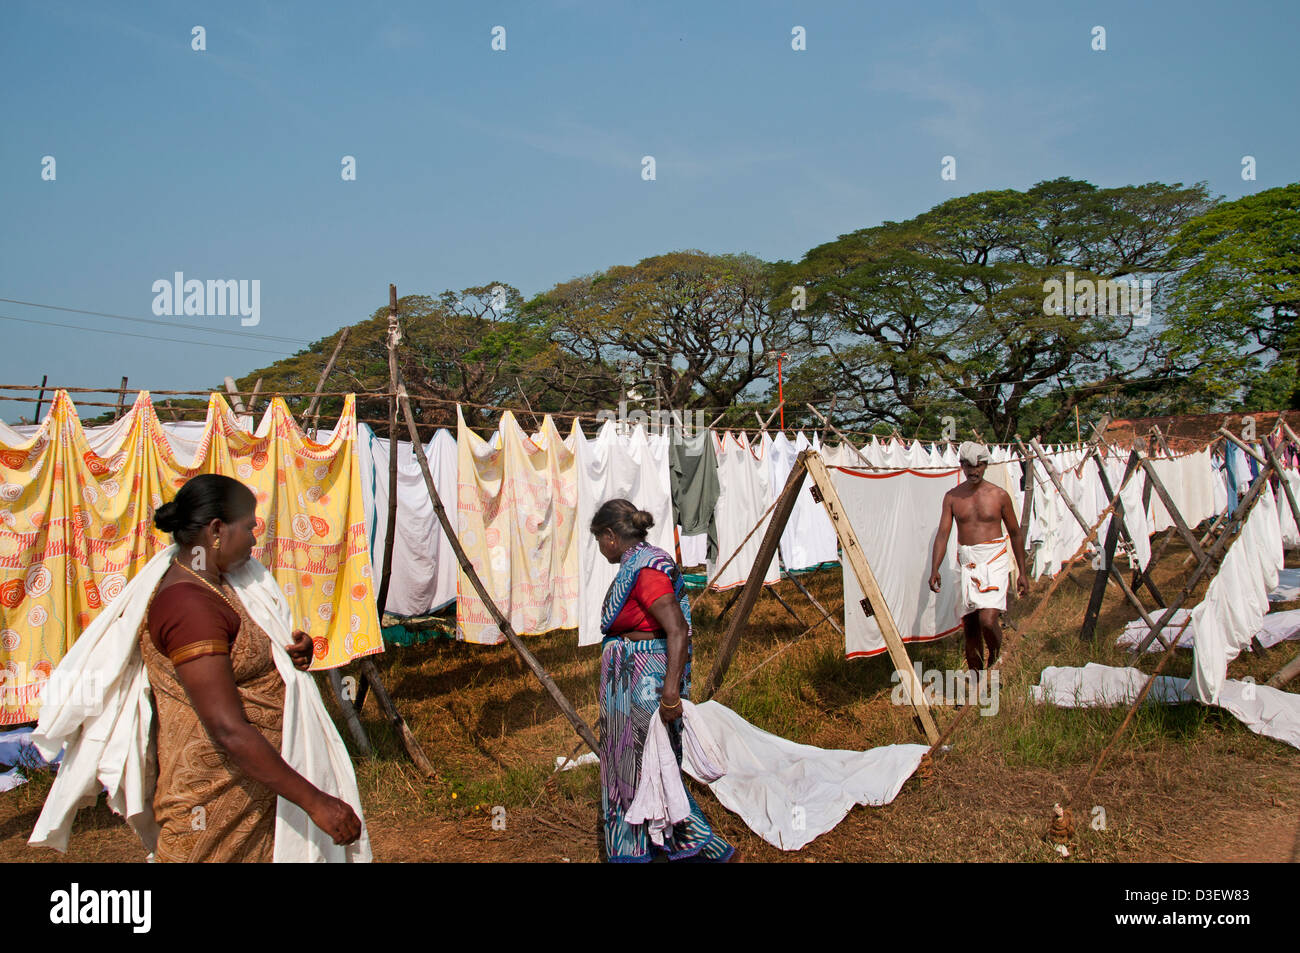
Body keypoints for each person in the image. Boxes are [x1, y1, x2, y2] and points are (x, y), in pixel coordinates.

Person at [144, 473, 361, 862]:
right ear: (215, 530)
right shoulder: (188, 605)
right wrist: (317, 803)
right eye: (248, 527)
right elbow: (227, 728)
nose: (254, 539)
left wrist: (288, 654)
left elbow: (246, 653)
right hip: (215, 806)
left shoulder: (225, 585)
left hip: (262, 794)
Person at [592, 498, 737, 863]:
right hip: (632, 688)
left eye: (598, 539)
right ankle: (658, 847)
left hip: (644, 686)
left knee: (647, 769)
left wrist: (670, 692)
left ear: (611, 536)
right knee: (642, 769)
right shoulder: (641, 563)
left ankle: (701, 849)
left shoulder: (646, 571)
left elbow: (677, 629)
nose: (599, 547)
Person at [928, 442, 1028, 673]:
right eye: (968, 466)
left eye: (979, 466)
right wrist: (935, 568)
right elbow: (943, 534)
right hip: (967, 561)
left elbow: (1015, 533)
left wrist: (1022, 572)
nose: (974, 471)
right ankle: (976, 677)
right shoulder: (952, 497)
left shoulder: (999, 495)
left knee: (988, 620)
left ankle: (995, 658)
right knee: (970, 624)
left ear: (985, 465)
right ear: (961, 465)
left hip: (994, 559)